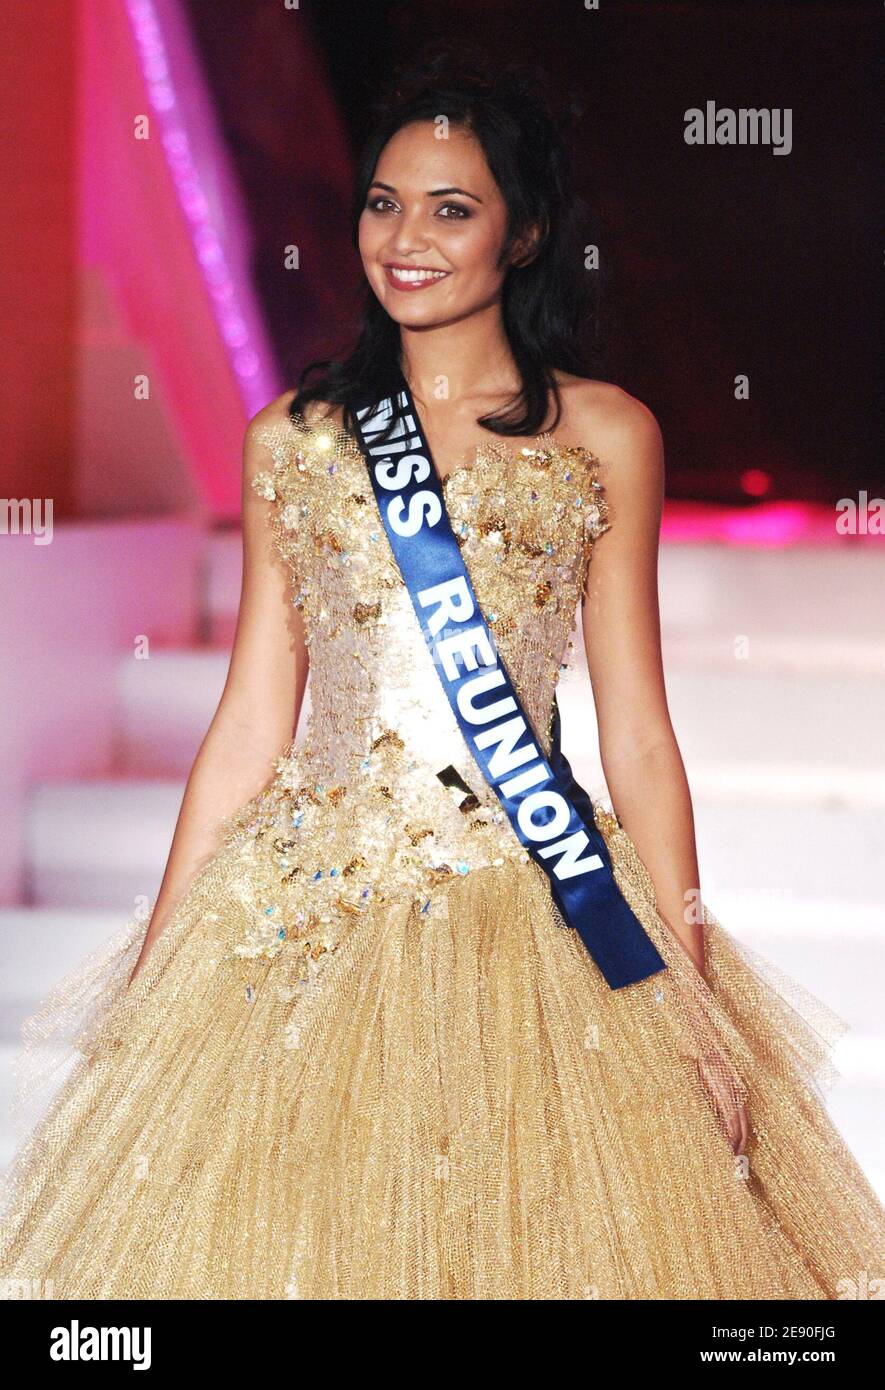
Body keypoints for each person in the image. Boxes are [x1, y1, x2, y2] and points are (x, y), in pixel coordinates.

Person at [1, 50, 883, 1301]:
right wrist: (155, 969)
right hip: (305, 911)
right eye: (383, 202)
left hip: (537, 903)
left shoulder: (606, 432)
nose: (404, 239)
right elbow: (251, 719)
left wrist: (685, 991)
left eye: (450, 209)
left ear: (521, 235)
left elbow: (638, 732)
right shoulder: (295, 440)